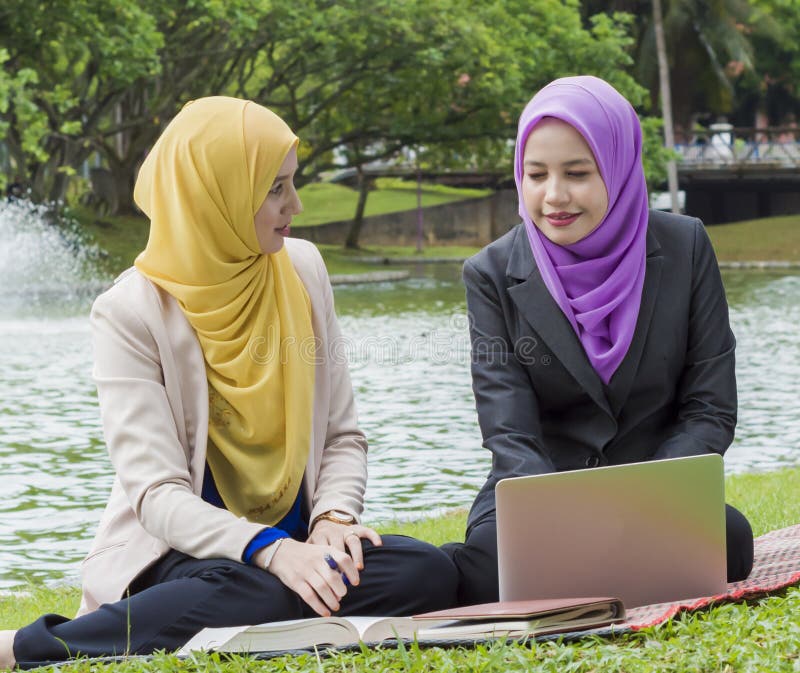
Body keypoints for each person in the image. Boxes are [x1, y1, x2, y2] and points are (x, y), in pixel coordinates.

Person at [0, 97, 456, 669]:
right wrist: (269, 550)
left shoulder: (304, 269)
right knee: (245, 590)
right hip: (186, 554)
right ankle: (27, 646)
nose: (296, 204)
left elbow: (342, 436)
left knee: (428, 571)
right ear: (216, 194)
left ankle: (271, 609)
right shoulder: (130, 312)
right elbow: (156, 495)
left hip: (304, 547)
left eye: (293, 183)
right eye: (276, 188)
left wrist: (333, 519)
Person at [442, 76, 754, 607]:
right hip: (540, 500)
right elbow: (508, 427)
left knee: (732, 540)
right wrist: (566, 518)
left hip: (659, 494)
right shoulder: (491, 273)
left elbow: (710, 407)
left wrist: (647, 498)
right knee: (489, 566)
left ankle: (593, 566)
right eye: (535, 175)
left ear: (618, 167)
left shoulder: (685, 247)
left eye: (578, 174)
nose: (554, 196)